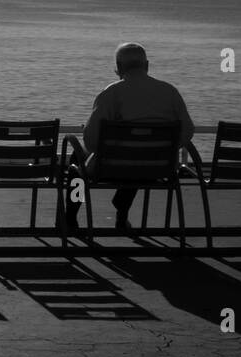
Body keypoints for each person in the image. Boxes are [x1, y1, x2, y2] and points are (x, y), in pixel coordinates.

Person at [66, 42, 196, 230]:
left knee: (76, 161)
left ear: (118, 67)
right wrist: (165, 150)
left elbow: (91, 141)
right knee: (140, 152)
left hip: (113, 168)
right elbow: (187, 132)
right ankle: (122, 213)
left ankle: (70, 218)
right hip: (159, 169)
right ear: (147, 65)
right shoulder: (170, 92)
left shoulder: (111, 93)